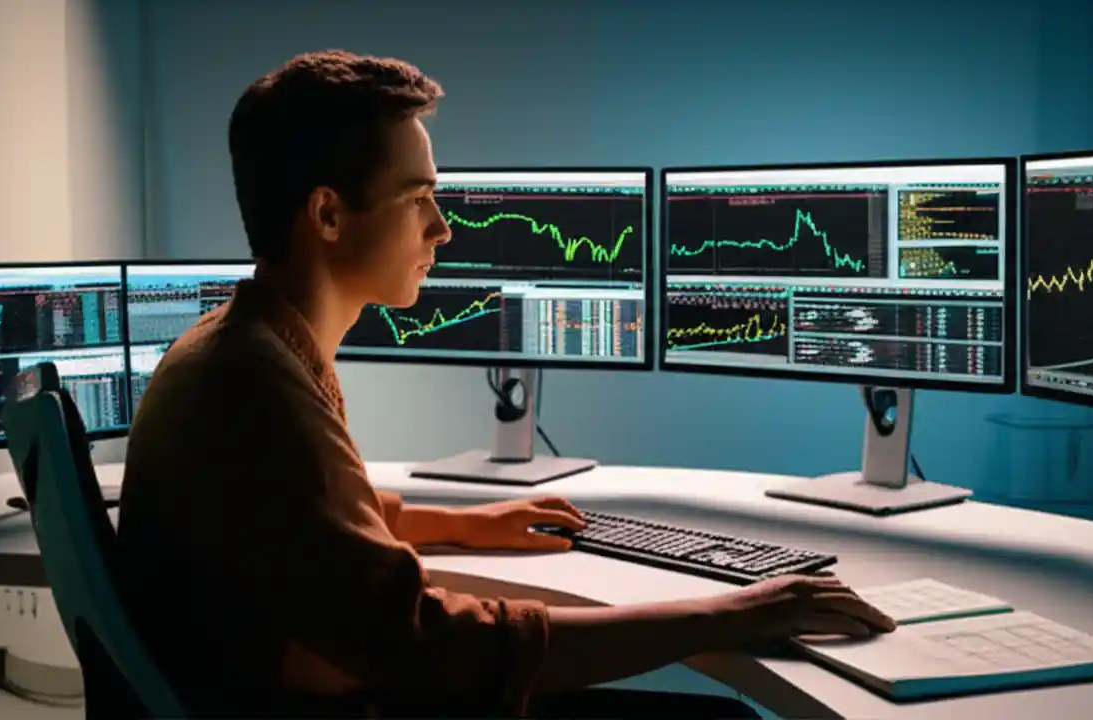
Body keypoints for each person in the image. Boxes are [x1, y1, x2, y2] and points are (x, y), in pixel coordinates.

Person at [114, 49, 896, 719]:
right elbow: (433, 644)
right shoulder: (255, 385)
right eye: (417, 198)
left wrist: (462, 523)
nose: (442, 227)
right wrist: (726, 614)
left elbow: (313, 521)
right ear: (327, 215)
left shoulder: (241, 349)